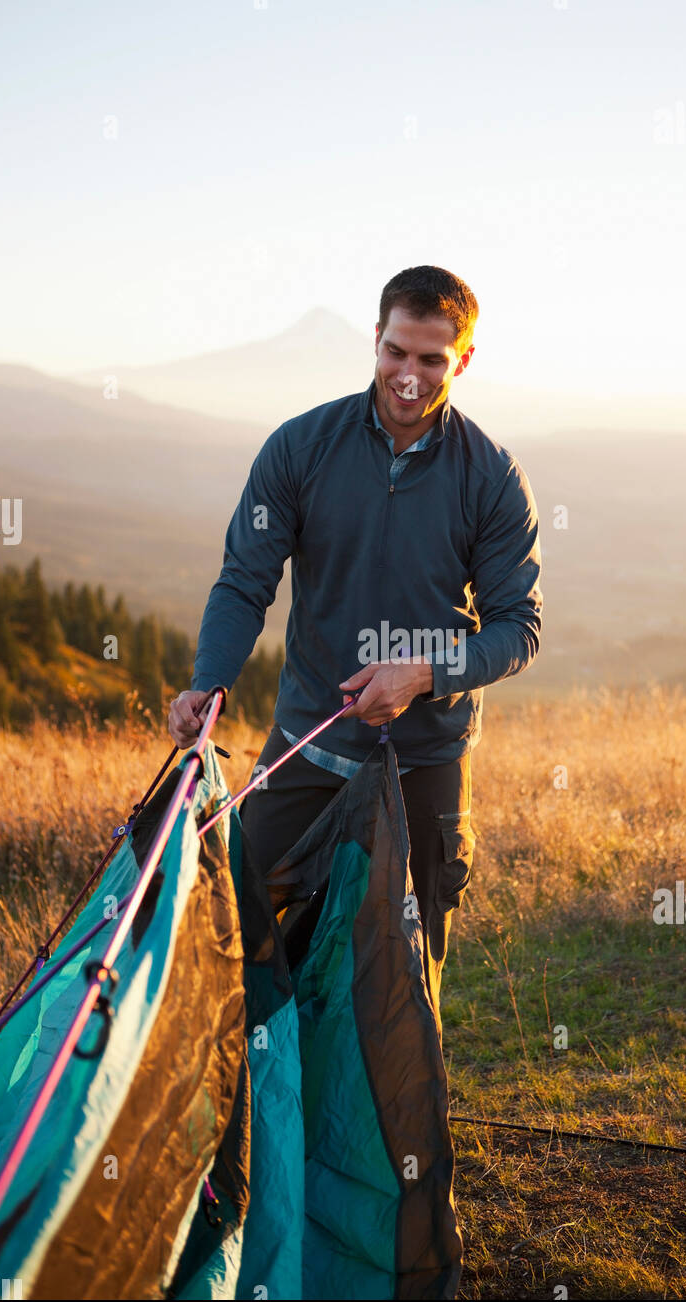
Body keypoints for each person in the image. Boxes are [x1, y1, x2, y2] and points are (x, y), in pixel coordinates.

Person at [168, 265, 542, 1034]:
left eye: (431, 359)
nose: (409, 376)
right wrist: (210, 682)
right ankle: (261, 1117)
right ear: (375, 339)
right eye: (397, 352)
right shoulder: (301, 448)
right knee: (238, 927)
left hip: (426, 762)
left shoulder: (494, 477)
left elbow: (517, 629)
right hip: (305, 748)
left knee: (403, 969)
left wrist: (425, 674)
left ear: (462, 360)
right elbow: (245, 582)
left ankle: (392, 1149)